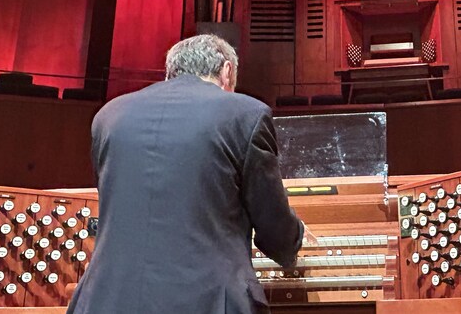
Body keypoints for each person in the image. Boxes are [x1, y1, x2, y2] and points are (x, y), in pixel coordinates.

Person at [66, 34, 307, 314]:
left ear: (171, 71)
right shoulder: (246, 113)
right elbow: (272, 228)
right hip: (206, 301)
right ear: (227, 71)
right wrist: (294, 239)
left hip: (105, 300)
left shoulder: (110, 115)